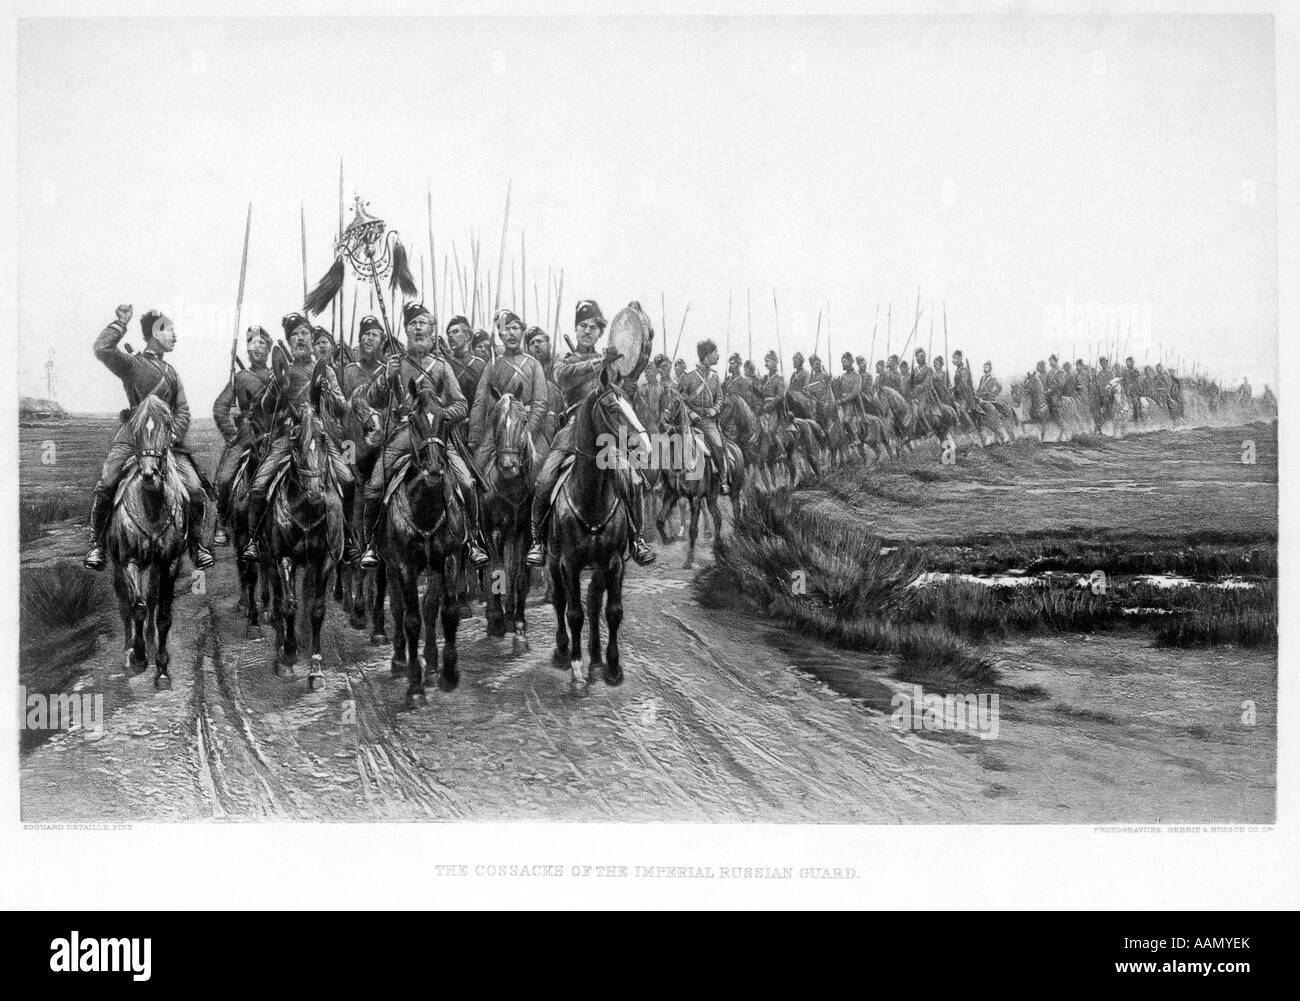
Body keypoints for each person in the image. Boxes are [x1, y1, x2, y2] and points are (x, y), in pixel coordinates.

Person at [356, 303, 488, 570]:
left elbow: (461, 404)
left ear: (432, 330)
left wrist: (438, 417)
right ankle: (371, 544)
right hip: (404, 434)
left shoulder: (442, 367)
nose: (418, 329)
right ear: (406, 329)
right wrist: (386, 377)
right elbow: (371, 399)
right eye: (413, 324)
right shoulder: (396, 363)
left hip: (437, 436)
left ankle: (473, 540)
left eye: (423, 323)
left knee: (468, 482)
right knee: (375, 485)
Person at [525, 300, 656, 568]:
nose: (587, 330)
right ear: (576, 329)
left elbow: (621, 392)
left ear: (600, 332)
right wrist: (600, 361)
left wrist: (633, 362)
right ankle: (538, 541)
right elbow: (564, 377)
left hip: (606, 434)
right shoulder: (565, 360)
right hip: (572, 431)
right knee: (545, 479)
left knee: (633, 479)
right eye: (582, 326)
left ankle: (637, 539)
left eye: (593, 327)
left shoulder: (613, 365)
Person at [84, 304, 214, 571]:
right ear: (154, 334)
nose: (174, 336)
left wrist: (172, 435)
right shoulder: (131, 365)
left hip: (166, 443)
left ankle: (196, 545)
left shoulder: (173, 373)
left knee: (195, 491)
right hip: (132, 439)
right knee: (108, 482)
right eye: (169, 331)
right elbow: (102, 349)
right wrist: (120, 323)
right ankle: (96, 543)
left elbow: (183, 410)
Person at [241, 313, 358, 564]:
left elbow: (342, 408)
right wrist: (276, 388)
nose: (300, 338)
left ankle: (348, 540)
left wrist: (331, 394)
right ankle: (253, 540)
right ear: (289, 341)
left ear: (312, 338)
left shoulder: (325, 370)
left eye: (304, 333)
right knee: (259, 485)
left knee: (348, 480)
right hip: (289, 438)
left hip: (320, 437)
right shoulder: (282, 370)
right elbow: (267, 407)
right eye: (294, 335)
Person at [211, 325, 273, 546]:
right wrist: (231, 432)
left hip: (273, 434)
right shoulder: (239, 378)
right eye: (252, 343)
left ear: (269, 348)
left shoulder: (277, 375)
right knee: (225, 478)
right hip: (246, 436)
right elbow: (219, 407)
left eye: (261, 343)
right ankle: (221, 521)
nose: (256, 347)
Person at [468, 309, 548, 471]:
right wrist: (475, 437)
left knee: (541, 473)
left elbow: (540, 403)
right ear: (500, 336)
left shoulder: (533, 364)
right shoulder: (492, 365)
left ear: (522, 331)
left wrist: (528, 432)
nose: (510, 334)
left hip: (527, 427)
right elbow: (480, 402)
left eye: (515, 328)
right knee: (477, 467)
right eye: (505, 330)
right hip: (498, 428)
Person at [676, 338, 730, 493]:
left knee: (718, 446)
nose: (718, 356)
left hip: (707, 421)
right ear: (707, 355)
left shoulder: (714, 376)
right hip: (688, 421)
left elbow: (720, 398)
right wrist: (690, 413)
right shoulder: (688, 377)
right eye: (715, 353)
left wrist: (715, 409)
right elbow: (678, 399)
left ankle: (723, 479)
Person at [445, 314, 485, 405]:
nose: (450, 336)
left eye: (455, 332)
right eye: (449, 333)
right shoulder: (445, 364)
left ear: (467, 336)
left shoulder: (481, 365)